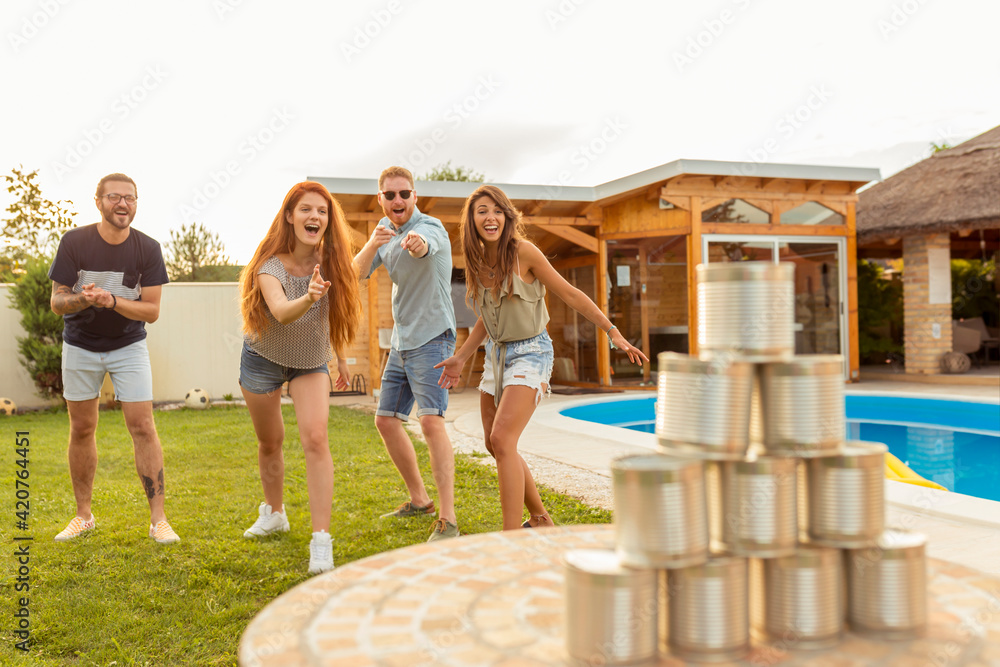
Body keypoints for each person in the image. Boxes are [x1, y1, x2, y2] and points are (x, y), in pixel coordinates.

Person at [435, 185, 648, 531]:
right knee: (494, 444)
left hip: (531, 352)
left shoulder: (525, 253)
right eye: (482, 211)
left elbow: (570, 293)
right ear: (472, 221)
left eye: (497, 210)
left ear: (507, 215)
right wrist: (460, 357)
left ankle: (510, 538)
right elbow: (486, 320)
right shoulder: (474, 262)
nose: (490, 217)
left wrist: (612, 331)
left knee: (503, 440)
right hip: (497, 354)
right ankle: (540, 518)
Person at [48, 173, 180, 544]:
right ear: (98, 201)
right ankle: (83, 516)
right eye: (114, 197)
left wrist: (111, 301)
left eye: (130, 198)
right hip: (79, 346)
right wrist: (83, 299)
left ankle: (159, 521)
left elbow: (151, 311)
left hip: (128, 347)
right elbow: (58, 302)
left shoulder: (148, 248)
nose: (122, 204)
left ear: (136, 203)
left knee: (143, 427)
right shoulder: (74, 242)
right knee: (82, 428)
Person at [238, 181, 361, 574]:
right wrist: (308, 297)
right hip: (263, 358)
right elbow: (278, 311)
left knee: (316, 437)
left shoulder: (333, 260)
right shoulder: (269, 264)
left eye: (322, 211)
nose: (315, 217)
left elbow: (334, 313)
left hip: (310, 360)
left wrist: (340, 358)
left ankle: (321, 539)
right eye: (306, 209)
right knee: (270, 442)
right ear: (290, 215)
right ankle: (274, 513)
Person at [352, 166, 459, 542]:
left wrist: (416, 244)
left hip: (433, 337)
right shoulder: (383, 233)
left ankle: (448, 519)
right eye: (390, 195)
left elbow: (424, 243)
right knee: (385, 421)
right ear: (380, 199)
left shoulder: (431, 227)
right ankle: (419, 500)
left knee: (431, 422)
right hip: (402, 342)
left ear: (415, 196)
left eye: (404, 194)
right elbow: (354, 275)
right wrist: (371, 244)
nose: (398, 200)